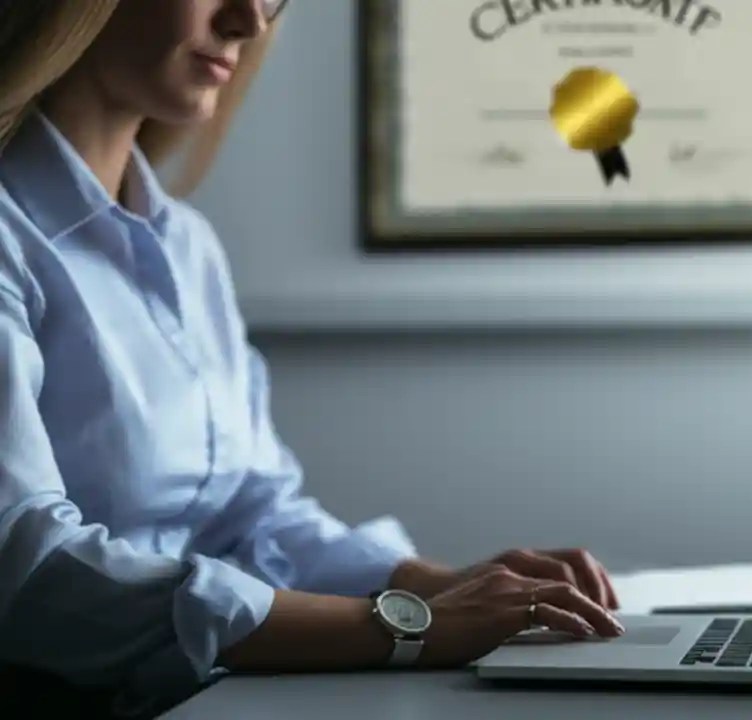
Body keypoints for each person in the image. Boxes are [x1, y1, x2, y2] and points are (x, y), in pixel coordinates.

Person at [0, 1, 625, 716]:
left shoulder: (187, 247)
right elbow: (30, 572)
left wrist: (442, 587)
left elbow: (255, 513)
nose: (248, 21)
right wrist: (404, 626)